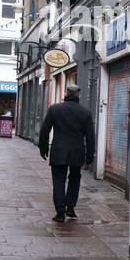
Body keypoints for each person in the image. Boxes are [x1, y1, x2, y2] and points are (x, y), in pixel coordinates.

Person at [38, 83, 95, 222]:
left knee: (58, 181)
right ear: (78, 95)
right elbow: (90, 136)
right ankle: (70, 207)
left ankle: (60, 212)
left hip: (58, 150)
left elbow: (45, 130)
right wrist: (90, 155)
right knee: (74, 179)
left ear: (66, 94)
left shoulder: (55, 109)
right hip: (77, 151)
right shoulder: (85, 112)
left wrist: (43, 148)